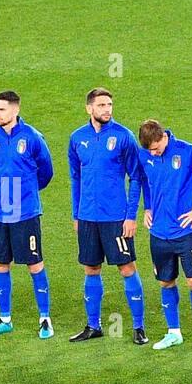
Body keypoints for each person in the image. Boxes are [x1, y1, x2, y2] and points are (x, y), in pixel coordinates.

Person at [136, 119, 192, 350]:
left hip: (186, 233)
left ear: (163, 137)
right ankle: (173, 332)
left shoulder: (189, 152)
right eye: (150, 151)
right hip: (159, 233)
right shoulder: (145, 154)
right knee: (166, 282)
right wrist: (147, 207)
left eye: (156, 149)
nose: (153, 154)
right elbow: (144, 179)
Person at [67, 89, 148, 344]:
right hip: (88, 217)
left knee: (127, 267)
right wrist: (76, 214)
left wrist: (131, 216)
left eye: (110, 104)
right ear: (89, 108)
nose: (107, 109)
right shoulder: (77, 138)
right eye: (101, 105)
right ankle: (94, 325)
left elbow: (136, 177)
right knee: (91, 268)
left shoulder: (123, 136)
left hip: (116, 217)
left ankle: (138, 327)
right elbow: (75, 178)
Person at [0, 91, 55, 339]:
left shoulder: (32, 137)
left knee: (34, 264)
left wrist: (26, 191)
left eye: (1, 110)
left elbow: (46, 171)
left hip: (26, 213)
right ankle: (5, 319)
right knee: (0, 264)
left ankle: (45, 319)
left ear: (15, 110)